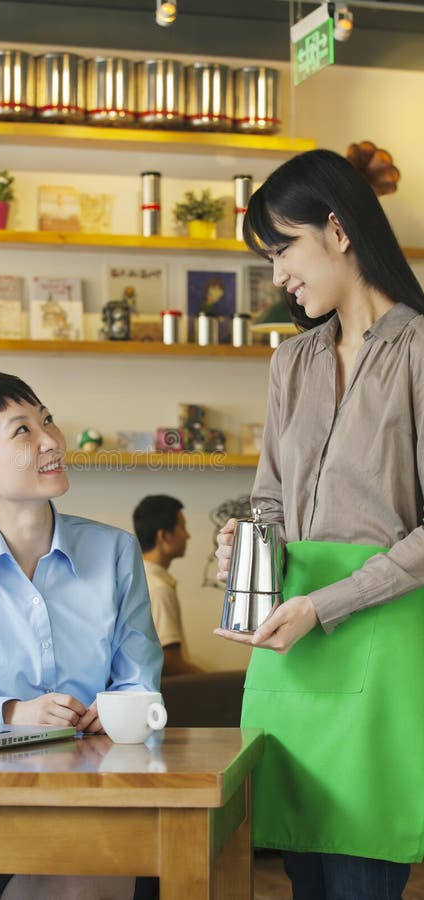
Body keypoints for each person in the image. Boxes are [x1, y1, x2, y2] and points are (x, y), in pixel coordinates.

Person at [214, 148, 424, 899]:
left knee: (362, 871)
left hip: (385, 636)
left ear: (338, 230)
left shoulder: (418, 351)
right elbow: (270, 500)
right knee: (302, 872)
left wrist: (324, 604)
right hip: (291, 648)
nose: (278, 276)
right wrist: (247, 556)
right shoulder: (291, 362)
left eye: (283, 250)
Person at [0, 369, 162, 900]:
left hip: (103, 799)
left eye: (47, 420)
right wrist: (12, 712)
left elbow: (140, 682)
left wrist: (118, 709)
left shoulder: (115, 553)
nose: (51, 441)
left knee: (100, 863)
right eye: (23, 430)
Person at [133, 494, 203, 676]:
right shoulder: (158, 589)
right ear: (164, 536)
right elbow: (169, 662)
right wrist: (210, 679)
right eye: (183, 527)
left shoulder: (135, 577)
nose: (188, 535)